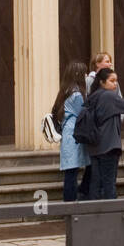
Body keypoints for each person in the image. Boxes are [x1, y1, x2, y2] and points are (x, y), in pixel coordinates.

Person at [83, 68, 124, 199]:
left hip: (95, 146)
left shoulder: (92, 96)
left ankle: (94, 209)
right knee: (109, 182)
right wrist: (115, 94)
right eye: (112, 81)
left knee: (96, 181)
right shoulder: (109, 96)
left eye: (116, 81)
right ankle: (111, 212)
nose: (115, 84)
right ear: (102, 82)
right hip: (109, 145)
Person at [54, 61, 89, 202]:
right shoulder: (77, 95)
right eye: (84, 73)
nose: (86, 76)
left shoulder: (65, 91)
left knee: (71, 170)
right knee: (72, 172)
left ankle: (72, 199)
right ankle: (70, 202)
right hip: (74, 135)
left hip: (68, 133)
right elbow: (83, 113)